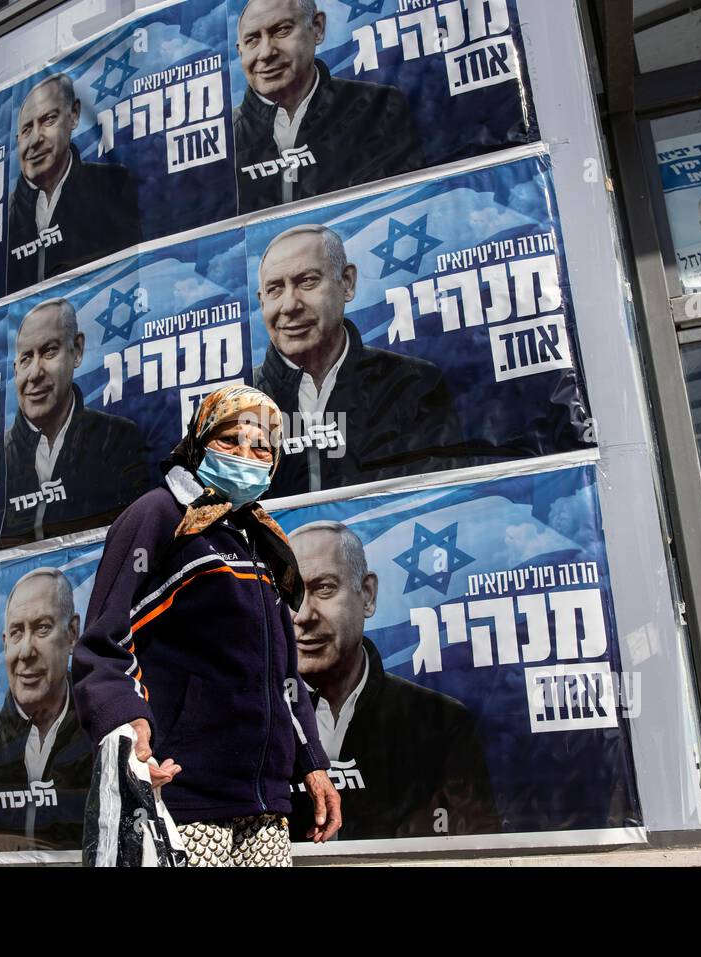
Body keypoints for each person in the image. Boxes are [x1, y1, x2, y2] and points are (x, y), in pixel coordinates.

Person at [73, 385, 341, 866]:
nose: (246, 454)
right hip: (184, 793)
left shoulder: (260, 540)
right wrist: (128, 727)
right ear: (198, 443)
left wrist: (313, 766)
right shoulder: (158, 515)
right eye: (228, 440)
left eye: (261, 446)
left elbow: (284, 675)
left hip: (265, 806)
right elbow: (104, 642)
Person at [287, 521, 499, 840]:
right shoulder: (262, 722)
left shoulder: (442, 722)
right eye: (291, 594)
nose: (303, 615)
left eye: (324, 588)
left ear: (368, 594)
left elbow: (478, 836)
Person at [253, 224, 463, 496]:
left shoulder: (414, 384)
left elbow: (442, 496)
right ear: (262, 302)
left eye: (307, 281)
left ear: (347, 283)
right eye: (275, 289)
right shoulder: (235, 408)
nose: (290, 305)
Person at [233, 0, 424, 213]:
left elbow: (399, 203)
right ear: (240, 52)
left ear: (317, 28)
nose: (266, 52)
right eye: (252, 40)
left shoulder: (379, 106)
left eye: (282, 30)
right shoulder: (226, 139)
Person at [2, 298, 150, 542]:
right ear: (16, 368)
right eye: (26, 358)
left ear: (77, 350)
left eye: (49, 350)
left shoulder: (117, 439)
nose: (35, 373)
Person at [6, 73, 142, 294]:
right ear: (17, 141)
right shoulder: (5, 222)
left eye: (48, 119)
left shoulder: (113, 185)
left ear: (74, 115)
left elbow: (127, 271)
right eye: (26, 130)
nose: (35, 140)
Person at [0, 568, 92, 849]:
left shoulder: (101, 733)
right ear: (4, 643)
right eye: (16, 633)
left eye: (42, 628)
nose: (25, 652)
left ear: (72, 633)